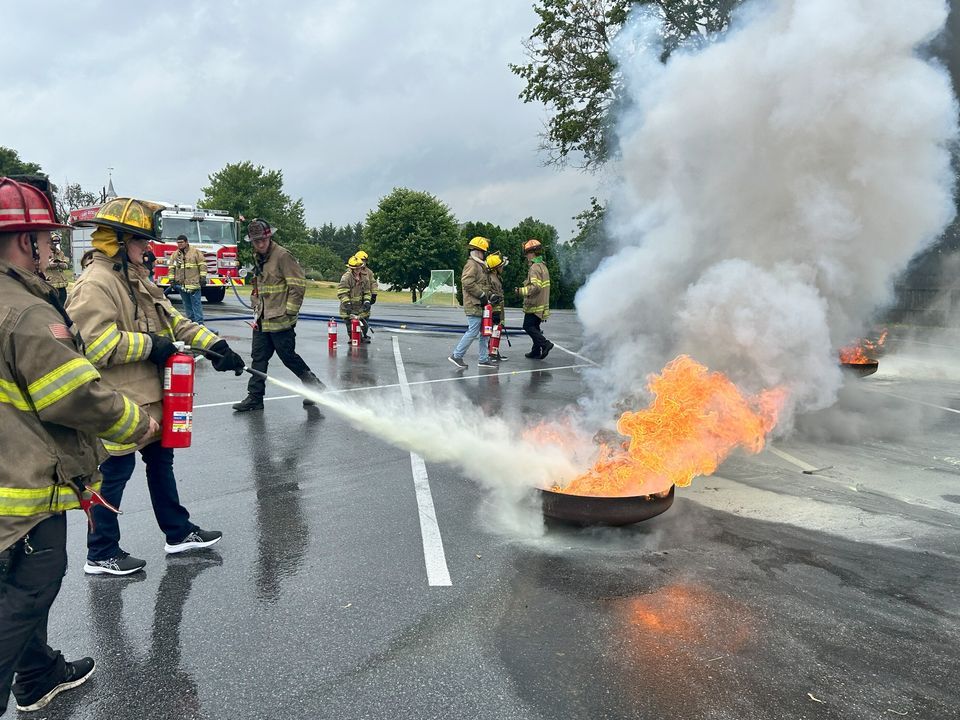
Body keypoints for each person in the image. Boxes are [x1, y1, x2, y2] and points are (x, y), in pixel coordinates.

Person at [0, 177, 158, 713]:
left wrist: (194, 340)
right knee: (26, 593)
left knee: (19, 594)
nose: (52, 249)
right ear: (26, 242)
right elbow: (74, 393)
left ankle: (39, 675)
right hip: (20, 487)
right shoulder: (25, 311)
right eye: (46, 238)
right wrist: (139, 425)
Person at [66, 197, 246, 575]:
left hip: (149, 398)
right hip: (117, 401)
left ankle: (177, 533)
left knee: (161, 461)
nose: (148, 249)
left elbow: (174, 320)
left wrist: (214, 345)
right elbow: (97, 345)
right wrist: (152, 346)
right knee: (112, 474)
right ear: (116, 241)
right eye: (140, 241)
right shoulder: (95, 284)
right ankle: (100, 553)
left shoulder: (136, 279)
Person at [233, 219, 325, 412]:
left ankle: (314, 385)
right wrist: (255, 304)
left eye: (262, 240)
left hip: (281, 319)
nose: (260, 244)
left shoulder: (282, 256)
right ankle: (255, 398)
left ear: (269, 237)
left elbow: (297, 286)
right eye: (256, 241)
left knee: (288, 356)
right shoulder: (259, 256)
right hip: (262, 318)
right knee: (258, 358)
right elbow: (260, 285)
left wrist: (290, 312)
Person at [449, 236, 497, 370]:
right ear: (477, 251)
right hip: (473, 304)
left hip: (480, 305)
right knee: (473, 331)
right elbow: (467, 282)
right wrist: (481, 295)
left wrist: (490, 296)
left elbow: (483, 285)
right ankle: (456, 355)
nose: (484, 255)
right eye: (483, 252)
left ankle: (483, 359)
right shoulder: (472, 264)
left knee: (484, 332)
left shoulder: (479, 266)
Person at [516, 238, 553, 359]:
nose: (526, 256)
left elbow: (536, 287)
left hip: (534, 303)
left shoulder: (534, 267)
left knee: (528, 326)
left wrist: (521, 291)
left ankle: (545, 344)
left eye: (527, 253)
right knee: (535, 326)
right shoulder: (543, 266)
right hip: (541, 303)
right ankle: (536, 350)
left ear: (532, 253)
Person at [170, 234, 206, 323]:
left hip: (194, 284)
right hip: (182, 285)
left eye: (181, 242)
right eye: (178, 243)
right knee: (187, 305)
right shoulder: (175, 255)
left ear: (186, 242)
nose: (179, 244)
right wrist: (171, 280)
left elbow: (202, 265)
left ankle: (200, 324)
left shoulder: (195, 252)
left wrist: (203, 277)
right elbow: (172, 268)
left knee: (196, 305)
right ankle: (192, 323)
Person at [337, 255, 373, 342]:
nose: (358, 270)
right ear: (351, 268)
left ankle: (363, 336)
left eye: (360, 268)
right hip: (349, 308)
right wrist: (347, 304)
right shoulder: (346, 278)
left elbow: (367, 291)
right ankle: (352, 337)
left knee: (364, 324)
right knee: (350, 325)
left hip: (361, 308)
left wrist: (367, 301)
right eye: (356, 269)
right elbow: (342, 293)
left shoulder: (365, 277)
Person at [485, 252, 508, 361]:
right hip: (494, 310)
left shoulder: (496, 277)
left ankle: (494, 352)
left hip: (498, 310)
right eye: (501, 266)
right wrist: (493, 296)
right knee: (494, 332)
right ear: (495, 268)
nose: (502, 268)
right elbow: (487, 291)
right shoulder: (491, 278)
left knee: (496, 332)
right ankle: (492, 354)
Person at [355, 249, 378, 341]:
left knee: (365, 316)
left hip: (366, 298)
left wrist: (374, 295)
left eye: (365, 261)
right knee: (355, 319)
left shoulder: (369, 272)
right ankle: (355, 336)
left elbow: (373, 283)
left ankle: (364, 334)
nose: (364, 263)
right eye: (362, 260)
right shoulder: (352, 271)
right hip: (355, 299)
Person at [44, 234, 70, 305]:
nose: (55, 246)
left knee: (62, 303)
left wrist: (61, 264)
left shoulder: (60, 253)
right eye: (53, 243)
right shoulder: (44, 252)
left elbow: (66, 265)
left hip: (61, 284)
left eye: (56, 244)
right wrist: (50, 265)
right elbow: (40, 265)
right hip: (50, 284)